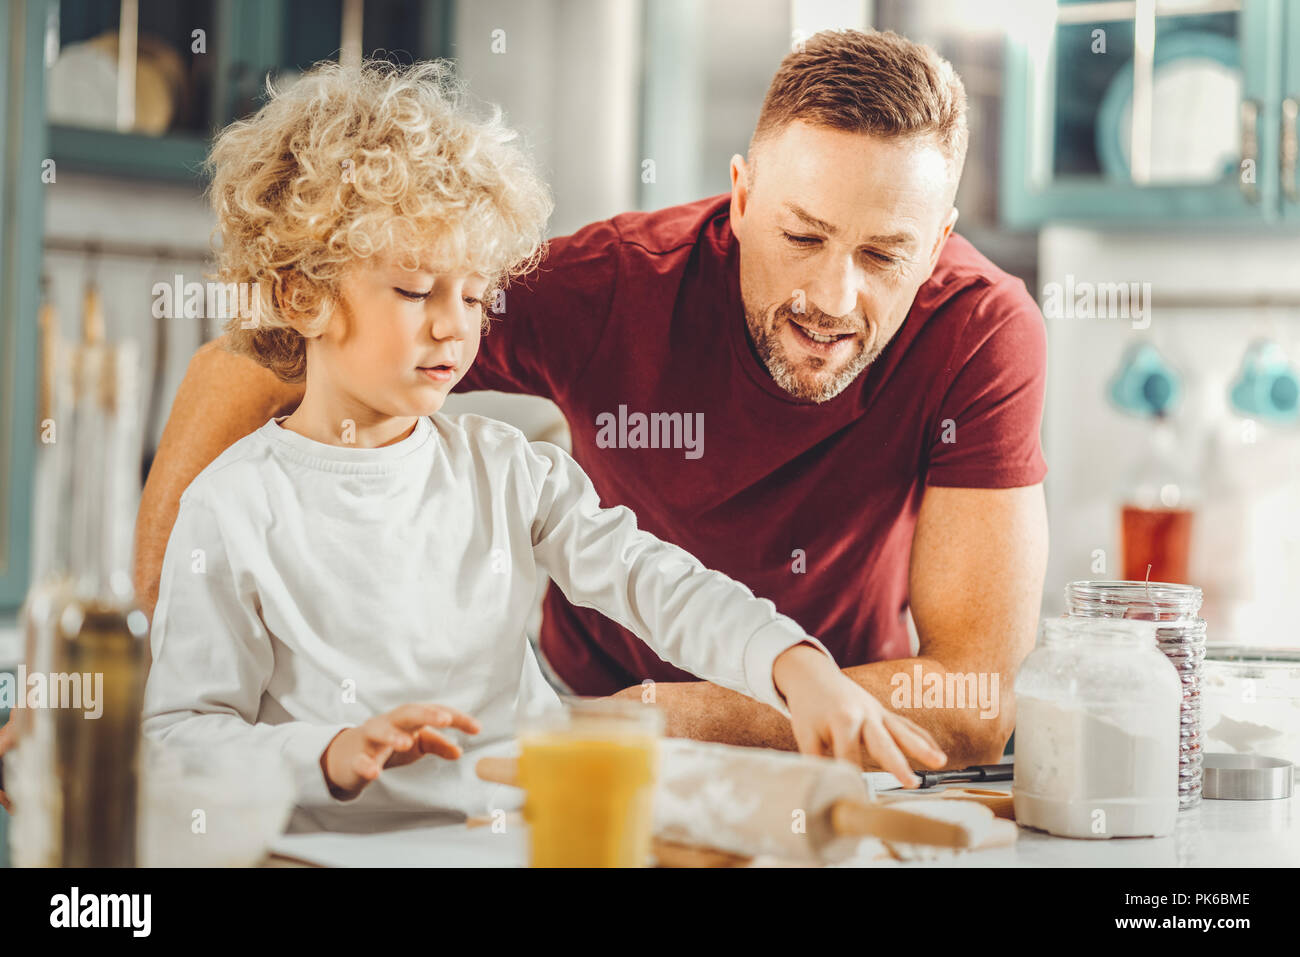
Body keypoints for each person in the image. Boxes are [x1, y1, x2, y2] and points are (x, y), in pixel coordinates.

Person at [128, 28, 1047, 778]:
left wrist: (790, 671)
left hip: (664, 772)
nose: (836, 296)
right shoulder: (607, 287)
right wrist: (175, 658)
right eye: (802, 235)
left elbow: (663, 581)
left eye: (885, 254)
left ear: (939, 244)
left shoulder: (506, 470)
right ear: (740, 196)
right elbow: (186, 727)